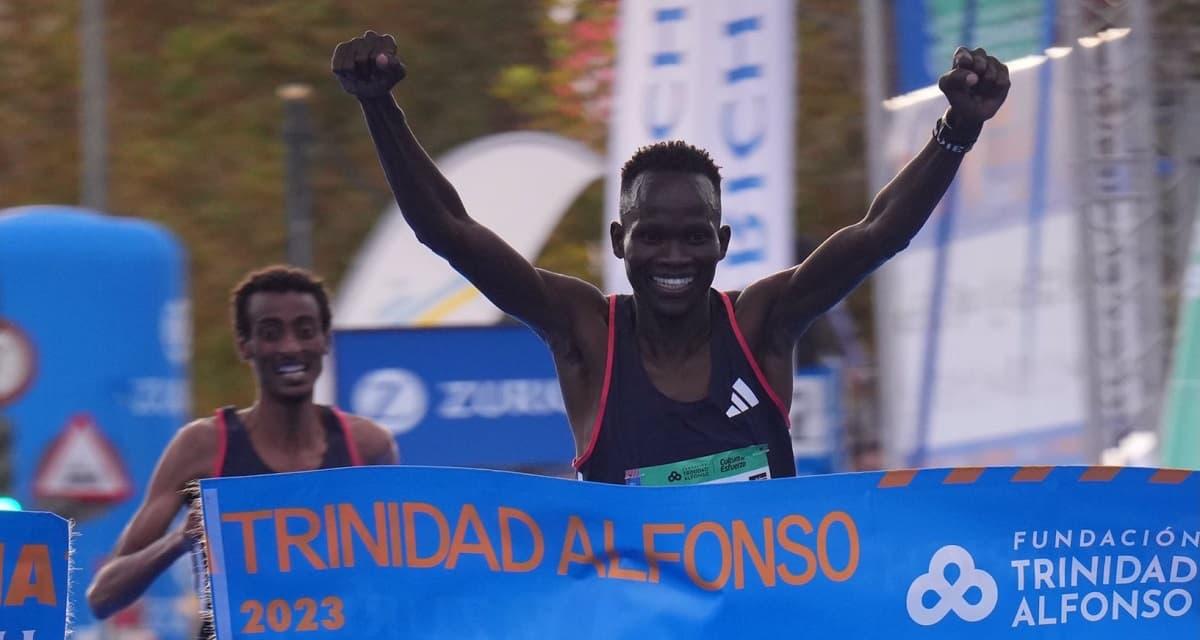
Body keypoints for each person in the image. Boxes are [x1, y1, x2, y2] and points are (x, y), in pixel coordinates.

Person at [331, 31, 1009, 486]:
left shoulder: (762, 323)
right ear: (619, 241)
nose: (674, 255)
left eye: (694, 235)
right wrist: (379, 107)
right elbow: (449, 229)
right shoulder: (586, 332)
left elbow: (879, 231)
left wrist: (958, 129)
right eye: (652, 235)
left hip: (756, 637)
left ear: (723, 242)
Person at [86, 265, 399, 640]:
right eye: (270, 333)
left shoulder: (368, 447)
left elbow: (401, 579)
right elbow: (102, 596)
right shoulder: (203, 447)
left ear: (325, 340)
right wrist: (181, 540)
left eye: (305, 330)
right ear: (244, 344)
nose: (290, 347)